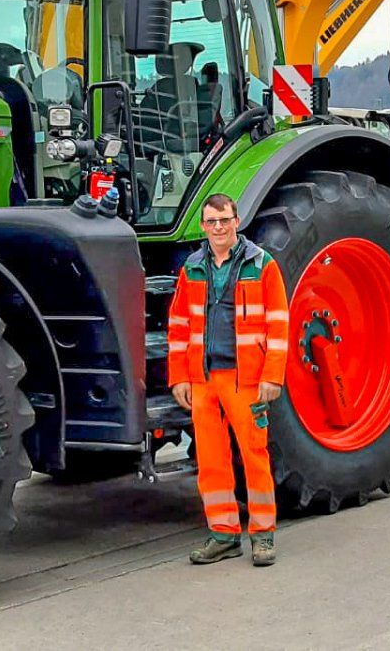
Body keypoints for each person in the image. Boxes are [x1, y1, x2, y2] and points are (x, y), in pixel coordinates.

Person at [166, 193, 289, 566]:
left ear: (237, 221)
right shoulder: (192, 268)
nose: (218, 228)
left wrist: (272, 375)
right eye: (211, 222)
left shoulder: (262, 265)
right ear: (203, 226)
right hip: (203, 379)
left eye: (224, 220)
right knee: (211, 460)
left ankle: (262, 536)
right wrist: (179, 377)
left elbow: (279, 323)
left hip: (244, 379)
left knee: (254, 455)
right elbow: (179, 326)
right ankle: (223, 534)